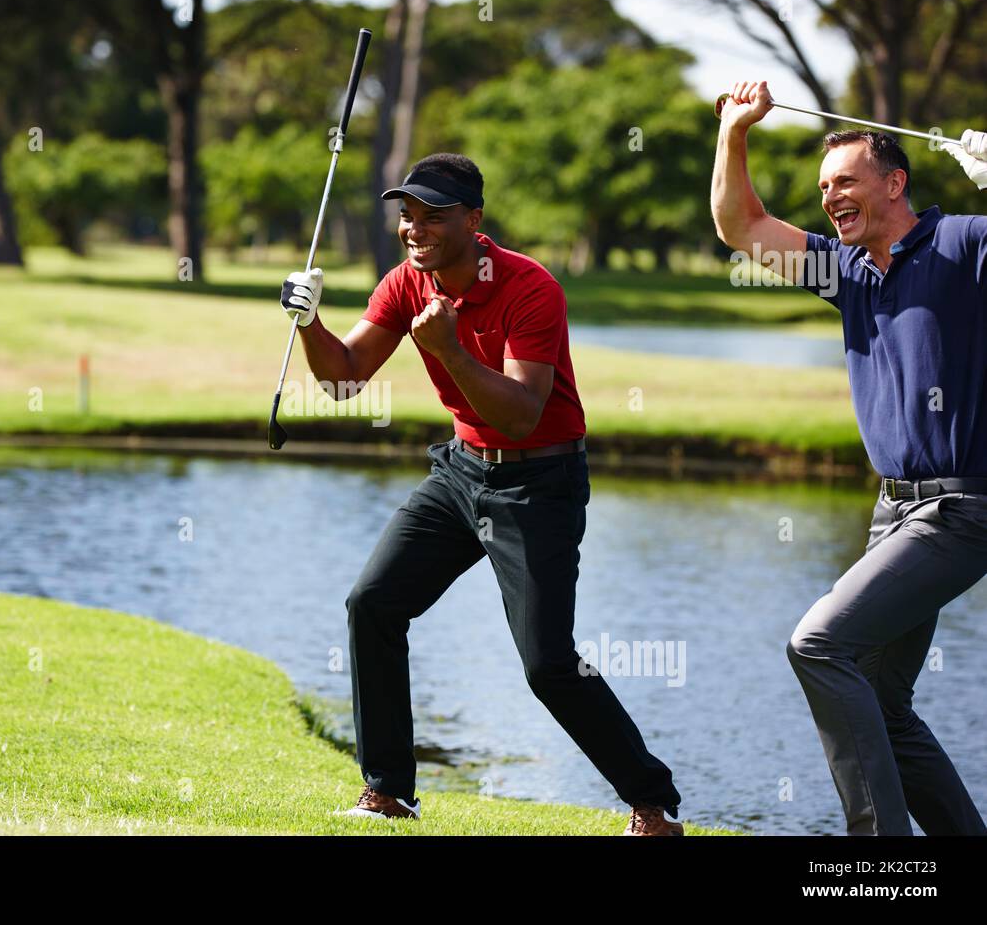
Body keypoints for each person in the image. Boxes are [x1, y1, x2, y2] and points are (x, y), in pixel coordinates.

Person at [280, 153, 684, 835]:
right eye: (407, 215)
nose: (415, 228)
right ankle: (387, 793)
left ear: (474, 219)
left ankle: (653, 804)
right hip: (462, 473)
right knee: (372, 603)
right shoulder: (406, 283)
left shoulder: (532, 288)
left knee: (548, 664)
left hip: (540, 482)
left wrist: (451, 351)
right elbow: (346, 378)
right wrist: (309, 322)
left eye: (433, 216)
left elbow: (523, 412)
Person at [712, 80, 987, 835]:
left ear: (895, 183)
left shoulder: (964, 242)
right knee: (878, 695)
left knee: (819, 644)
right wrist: (735, 132)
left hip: (962, 509)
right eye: (824, 186)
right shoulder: (847, 270)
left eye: (847, 181)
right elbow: (743, 226)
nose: (831, 196)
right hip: (892, 511)